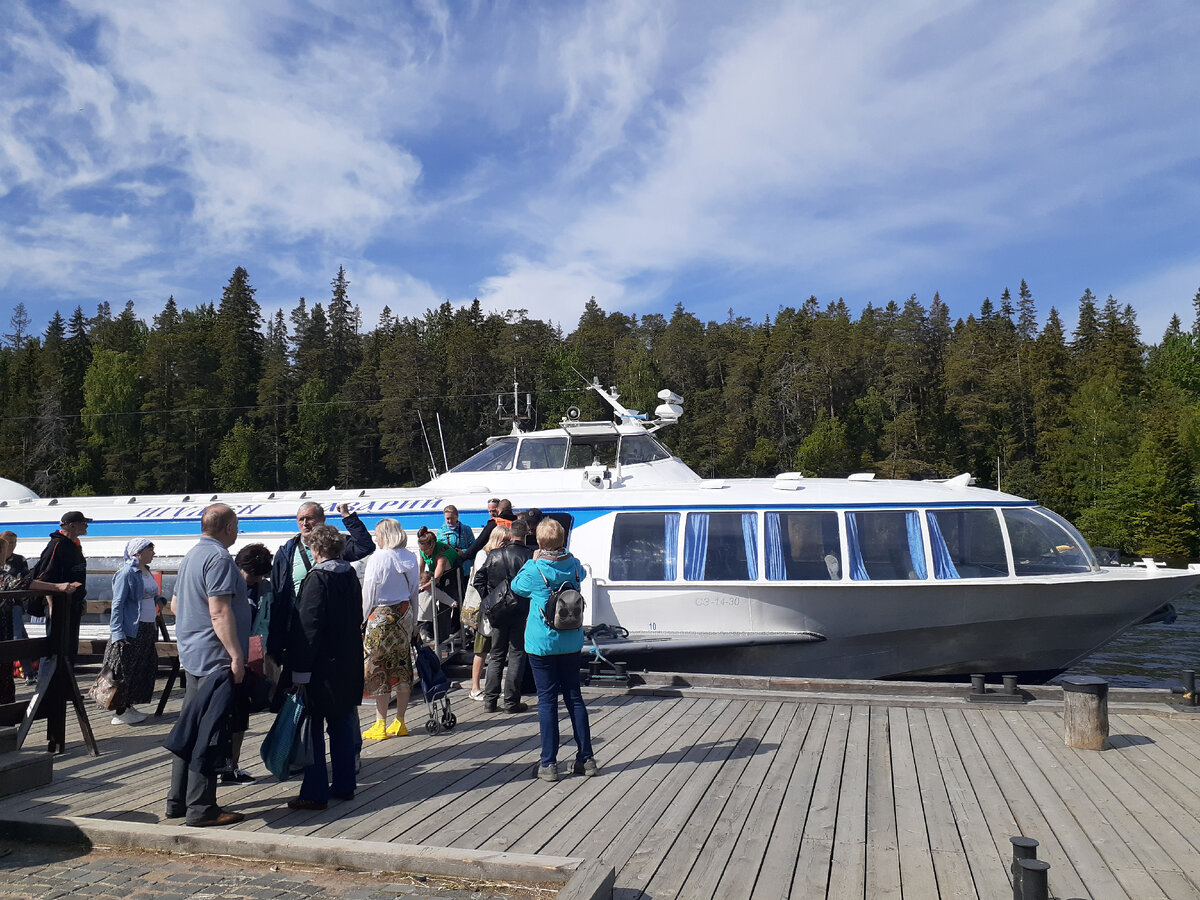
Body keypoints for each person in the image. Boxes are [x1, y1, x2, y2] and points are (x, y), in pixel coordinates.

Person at [165, 503, 248, 827]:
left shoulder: (191, 557)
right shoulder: (219, 558)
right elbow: (219, 611)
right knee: (209, 733)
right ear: (228, 528)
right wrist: (236, 655)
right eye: (236, 526)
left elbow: (174, 604)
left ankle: (178, 801)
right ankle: (201, 807)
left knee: (189, 729)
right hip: (215, 658)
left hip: (193, 655)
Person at [510, 518, 595, 782]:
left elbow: (516, 586)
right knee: (574, 698)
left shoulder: (536, 569)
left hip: (542, 644)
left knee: (547, 701)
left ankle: (549, 763)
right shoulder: (575, 566)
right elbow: (580, 574)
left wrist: (532, 560)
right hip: (571, 640)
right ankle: (586, 758)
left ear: (539, 541)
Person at [286, 524, 364, 810]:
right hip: (348, 660)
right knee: (343, 724)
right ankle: (345, 785)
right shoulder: (350, 575)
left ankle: (314, 791)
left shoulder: (317, 579)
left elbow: (308, 627)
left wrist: (300, 672)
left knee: (314, 728)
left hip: (322, 666)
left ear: (315, 549)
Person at [267, 502, 374, 699]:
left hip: (333, 634)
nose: (305, 523)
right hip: (298, 629)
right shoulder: (287, 552)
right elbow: (277, 595)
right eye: (301, 519)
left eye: (310, 518)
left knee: (333, 697)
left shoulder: (335, 545)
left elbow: (365, 546)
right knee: (300, 697)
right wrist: (274, 642)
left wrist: (348, 517)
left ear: (322, 520)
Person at [0, 535, 80, 705]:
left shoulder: (17, 563)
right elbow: (22, 583)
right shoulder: (3, 576)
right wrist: (56, 587)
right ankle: (6, 723)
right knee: (4, 677)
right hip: (2, 631)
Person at [360, 518, 418, 740]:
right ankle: (400, 721)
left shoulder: (378, 557)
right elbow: (414, 592)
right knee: (402, 667)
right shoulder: (410, 556)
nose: (376, 538)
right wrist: (413, 623)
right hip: (404, 613)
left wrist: (362, 618)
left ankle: (380, 723)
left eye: (377, 534)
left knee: (377, 668)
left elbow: (369, 593)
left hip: (381, 615)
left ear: (384, 535)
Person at [226, 543, 274, 784]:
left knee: (241, 715)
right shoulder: (229, 587)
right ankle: (222, 766)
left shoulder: (264, 589)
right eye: (251, 574)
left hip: (252, 656)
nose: (254, 580)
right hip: (227, 657)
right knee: (226, 715)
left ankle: (231, 766)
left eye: (259, 575)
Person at [474, 519, 533, 713]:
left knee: (496, 654)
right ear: (526, 534)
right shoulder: (530, 556)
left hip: (498, 610)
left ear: (509, 534)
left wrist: (490, 599)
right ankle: (511, 701)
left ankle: (490, 701)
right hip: (520, 609)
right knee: (516, 653)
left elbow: (478, 579)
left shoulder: (495, 554)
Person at [102, 537, 162, 726]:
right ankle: (119, 709)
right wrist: (117, 631)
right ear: (139, 552)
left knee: (140, 667)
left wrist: (159, 600)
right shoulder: (127, 572)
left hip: (147, 626)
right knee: (124, 669)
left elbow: (150, 594)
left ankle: (128, 704)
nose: (153, 553)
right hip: (131, 628)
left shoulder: (146, 571)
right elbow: (118, 603)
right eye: (150, 549)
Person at [30, 511, 91, 664]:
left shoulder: (74, 545)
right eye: (83, 523)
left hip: (73, 603)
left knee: (70, 648)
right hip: (58, 604)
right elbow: (43, 577)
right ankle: (50, 685)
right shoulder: (56, 545)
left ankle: (65, 683)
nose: (86, 526)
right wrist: (51, 603)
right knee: (56, 649)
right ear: (71, 525)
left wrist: (80, 599)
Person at [466, 525, 510, 700]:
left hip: (498, 606)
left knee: (496, 649)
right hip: (484, 607)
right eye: (504, 541)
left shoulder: (500, 554)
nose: (506, 544)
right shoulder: (483, 554)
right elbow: (481, 578)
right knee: (481, 648)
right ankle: (475, 687)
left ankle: (492, 687)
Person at [0, 530, 35, 684]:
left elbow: (25, 578)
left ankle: (28, 672)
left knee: (18, 636)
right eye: (9, 542)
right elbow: (14, 582)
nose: (12, 546)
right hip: (4, 605)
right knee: (17, 637)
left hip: (15, 604)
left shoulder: (19, 560)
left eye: (15, 542)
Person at [416, 525, 461, 644]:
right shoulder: (422, 549)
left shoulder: (442, 554)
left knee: (444, 605)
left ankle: (443, 639)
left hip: (450, 574)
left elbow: (436, 579)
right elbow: (421, 567)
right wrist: (418, 582)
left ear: (432, 546)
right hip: (434, 572)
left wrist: (421, 588)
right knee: (429, 601)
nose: (424, 552)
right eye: (422, 550)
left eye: (426, 550)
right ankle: (430, 633)